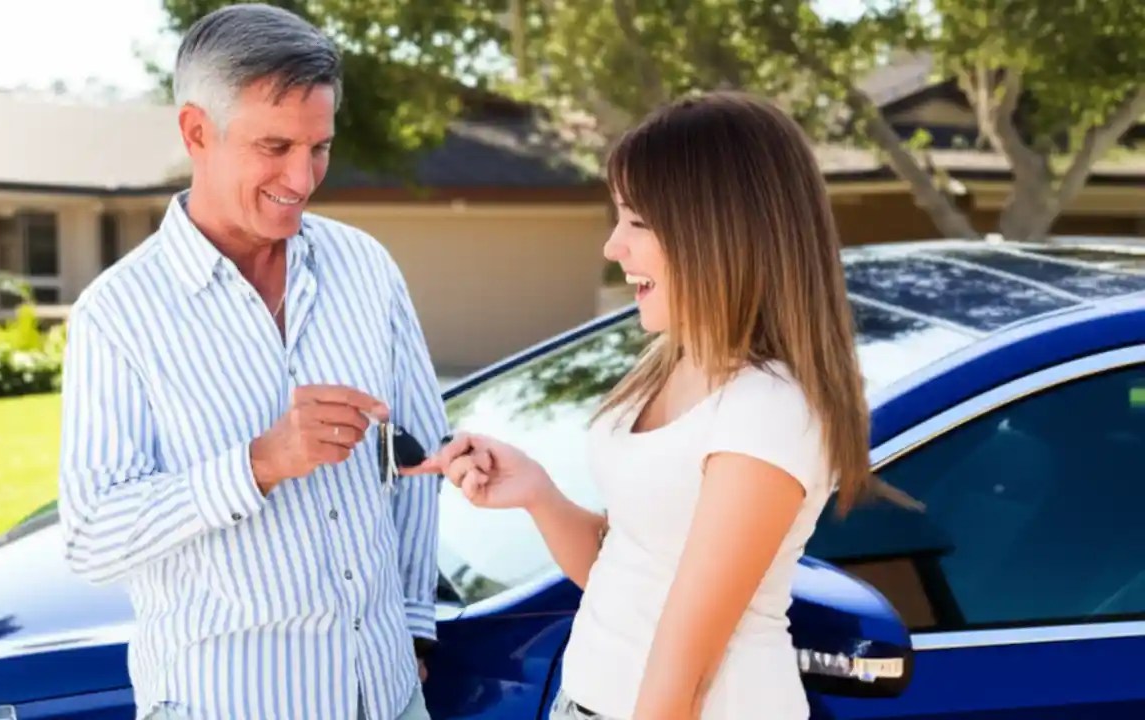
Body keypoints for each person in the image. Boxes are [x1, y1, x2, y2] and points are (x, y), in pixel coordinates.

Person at [412, 91, 876, 719]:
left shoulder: (768, 411)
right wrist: (538, 494)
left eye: (637, 222)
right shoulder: (673, 360)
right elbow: (629, 570)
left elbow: (682, 677)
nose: (612, 247)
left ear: (716, 233)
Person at [56, 5, 446, 719]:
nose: (302, 177)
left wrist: (415, 623)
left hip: (389, 697)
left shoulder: (366, 267)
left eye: (319, 147)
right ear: (197, 132)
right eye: (276, 146)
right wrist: (257, 465)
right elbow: (91, 536)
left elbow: (418, 460)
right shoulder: (118, 315)